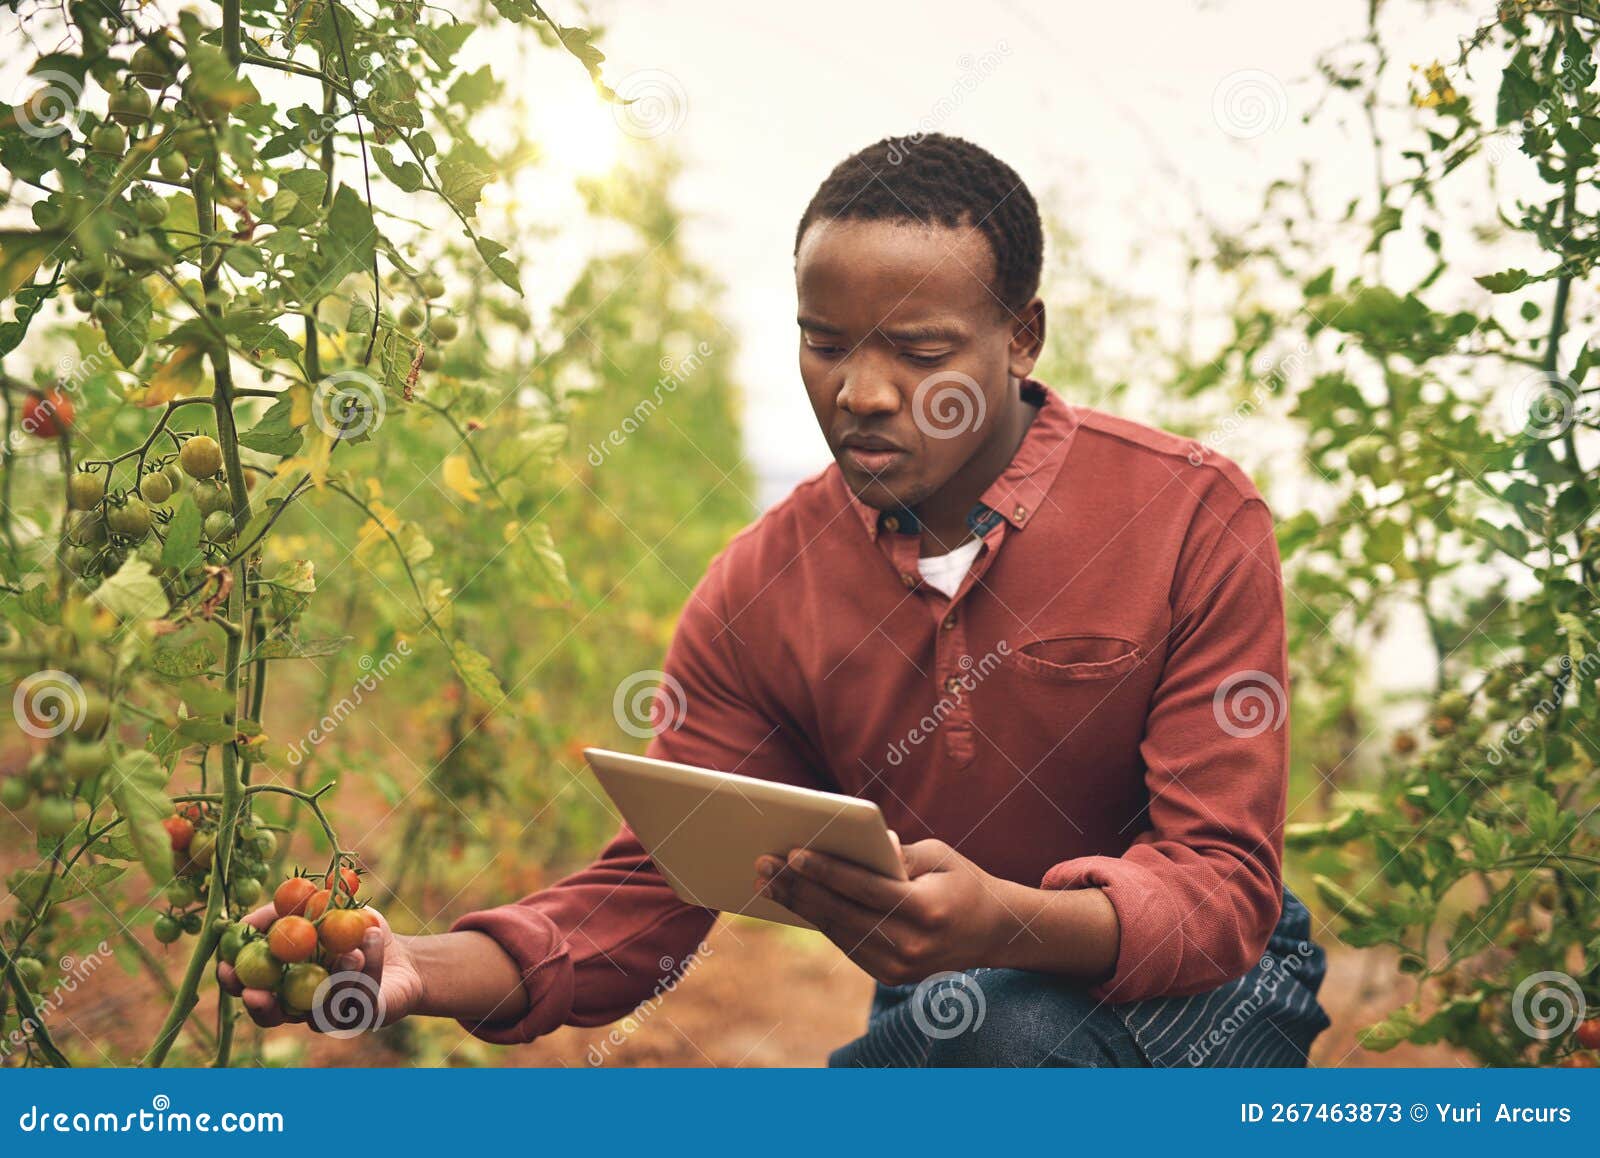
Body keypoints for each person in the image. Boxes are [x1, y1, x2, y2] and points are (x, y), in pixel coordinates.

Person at [220, 133, 1330, 1067]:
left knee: (993, 1041)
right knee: (966, 1040)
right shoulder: (761, 591)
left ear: (1021, 339)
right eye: (824, 343)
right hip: (949, 1007)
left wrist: (1013, 920)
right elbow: (647, 899)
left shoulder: (1187, 518)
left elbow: (1222, 890)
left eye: (919, 351)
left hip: (1210, 994)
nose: (861, 392)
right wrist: (417, 965)